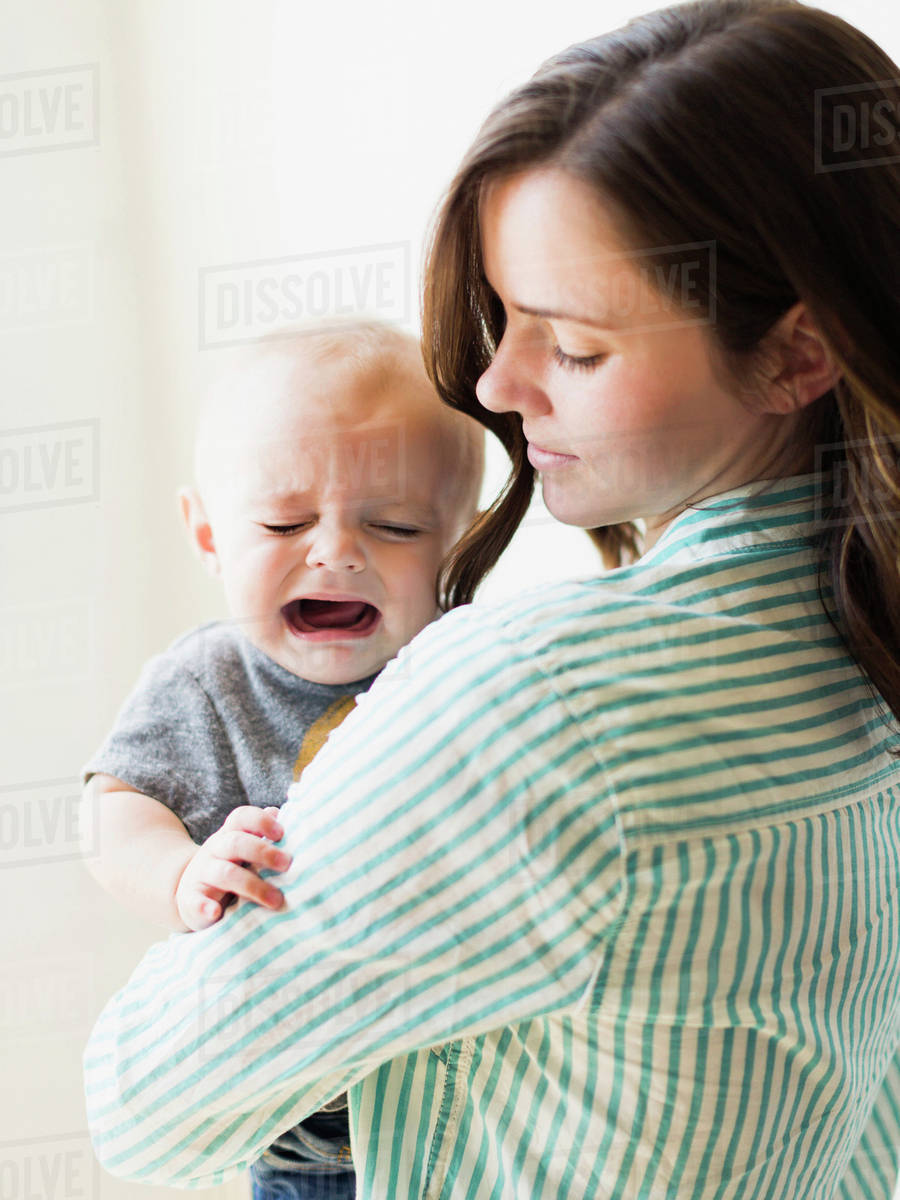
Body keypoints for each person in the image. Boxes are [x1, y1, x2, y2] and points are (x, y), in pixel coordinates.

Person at [84, 0, 900, 1196]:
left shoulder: (533, 700)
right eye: (502, 320)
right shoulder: (864, 652)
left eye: (572, 346)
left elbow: (145, 1100)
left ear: (794, 353)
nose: (492, 383)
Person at [78, 318, 484, 1200]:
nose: (337, 550)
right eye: (284, 521)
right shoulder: (211, 679)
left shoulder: (465, 661)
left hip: (473, 1121)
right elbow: (113, 814)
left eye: (396, 525)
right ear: (211, 534)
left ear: (464, 539)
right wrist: (183, 872)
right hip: (310, 1149)